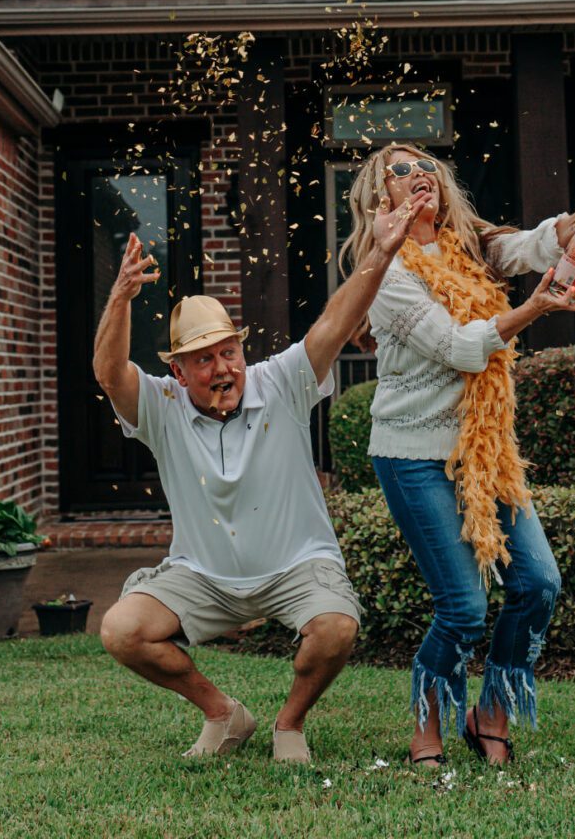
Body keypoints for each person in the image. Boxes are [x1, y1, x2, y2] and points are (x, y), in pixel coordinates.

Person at [93, 190, 432, 764]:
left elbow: (337, 319)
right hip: (201, 576)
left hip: (297, 566)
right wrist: (122, 296)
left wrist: (381, 248)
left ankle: (289, 723)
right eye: (205, 359)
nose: (224, 367)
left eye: (229, 352)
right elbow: (108, 372)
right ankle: (224, 714)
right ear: (177, 371)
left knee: (336, 628)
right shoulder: (162, 405)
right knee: (122, 629)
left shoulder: (282, 382)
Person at [341, 144, 575, 768]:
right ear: (377, 198)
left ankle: (489, 712)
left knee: (538, 583)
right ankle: (429, 723)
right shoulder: (382, 272)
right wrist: (533, 309)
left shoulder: (471, 245)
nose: (420, 177)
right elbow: (460, 347)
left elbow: (528, 248)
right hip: (413, 454)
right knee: (463, 609)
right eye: (400, 171)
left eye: (427, 166)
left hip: (484, 449)